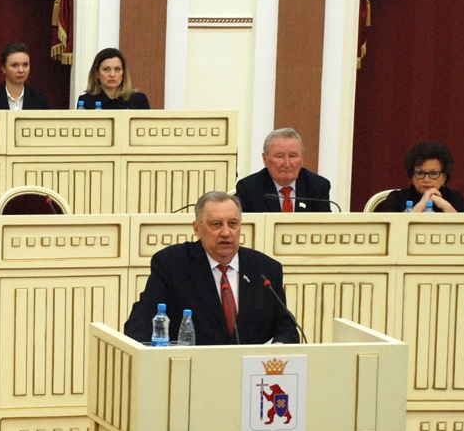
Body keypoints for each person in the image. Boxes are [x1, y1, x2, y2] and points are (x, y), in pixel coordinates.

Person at [124, 191, 298, 345]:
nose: (226, 232)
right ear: (197, 228)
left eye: (233, 223)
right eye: (216, 224)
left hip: (251, 369)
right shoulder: (172, 264)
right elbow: (141, 323)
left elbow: (285, 325)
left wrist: (280, 345)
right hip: (192, 367)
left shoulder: (265, 269)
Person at [235, 128, 332, 213]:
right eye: (279, 156)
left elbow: (324, 225)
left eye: (292, 156)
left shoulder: (318, 186)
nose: (287, 164)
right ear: (265, 159)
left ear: (302, 159)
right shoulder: (249, 188)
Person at [377, 141, 464, 213]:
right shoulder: (396, 198)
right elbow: (396, 229)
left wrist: (445, 206)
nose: (426, 179)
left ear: (444, 177)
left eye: (433, 174)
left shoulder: (455, 198)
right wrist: (422, 205)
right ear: (412, 176)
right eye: (420, 173)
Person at [0, 43, 49, 110]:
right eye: (15, 65)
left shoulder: (39, 99)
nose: (21, 70)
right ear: (3, 68)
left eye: (25, 65)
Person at [77, 48, 150, 110]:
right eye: (106, 69)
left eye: (117, 69)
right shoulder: (86, 101)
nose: (112, 75)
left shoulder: (138, 100)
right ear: (97, 73)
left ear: (123, 73)